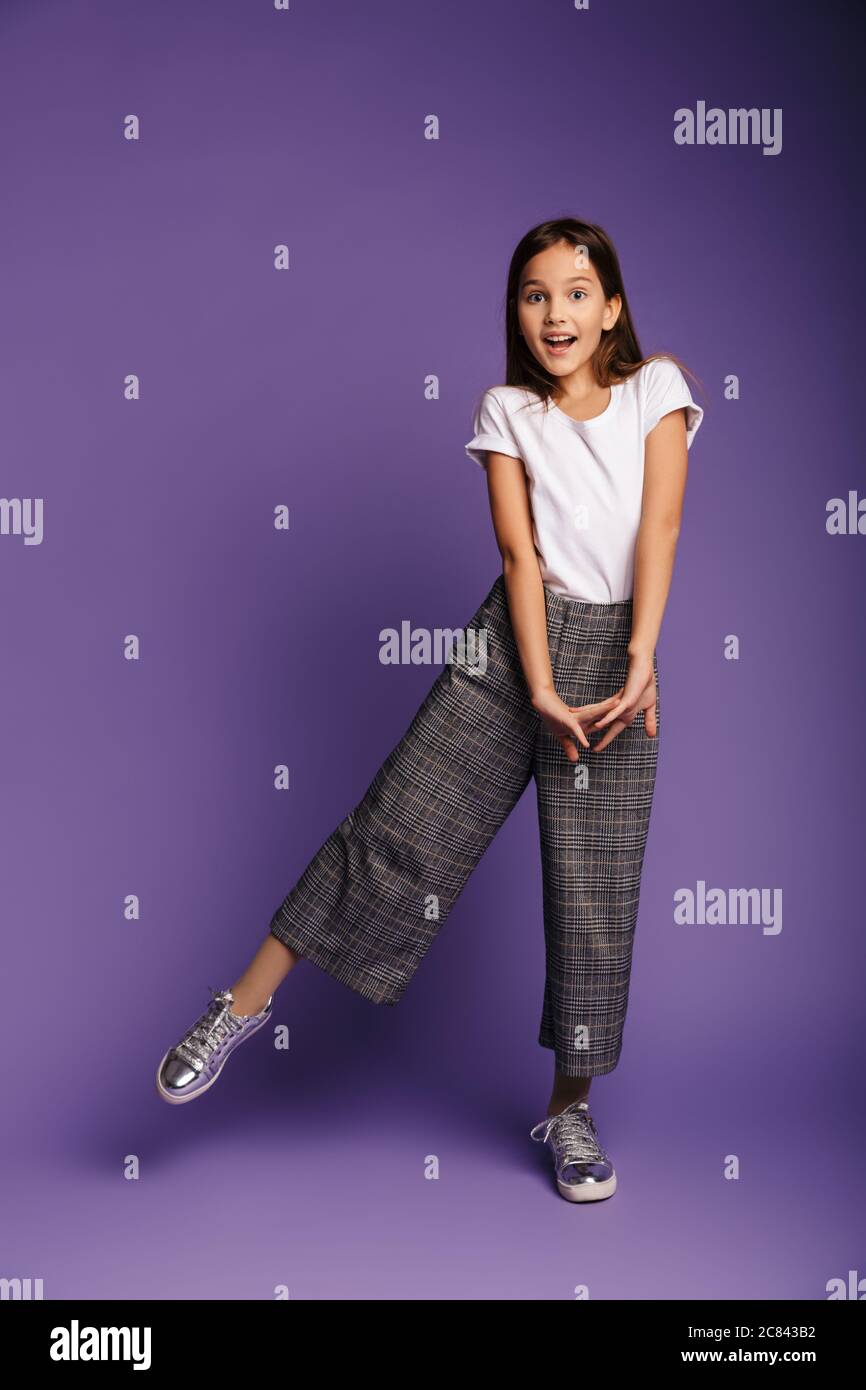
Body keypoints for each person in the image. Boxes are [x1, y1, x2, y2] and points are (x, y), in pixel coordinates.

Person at [155, 217, 704, 1205]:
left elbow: (659, 522)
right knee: (395, 825)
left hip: (619, 659)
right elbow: (518, 557)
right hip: (514, 645)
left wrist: (638, 656)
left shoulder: (655, 389)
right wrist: (534, 686)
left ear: (611, 305)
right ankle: (235, 1011)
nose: (555, 312)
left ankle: (570, 1112)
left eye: (576, 291)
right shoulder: (506, 411)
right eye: (534, 294)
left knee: (592, 894)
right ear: (516, 312)